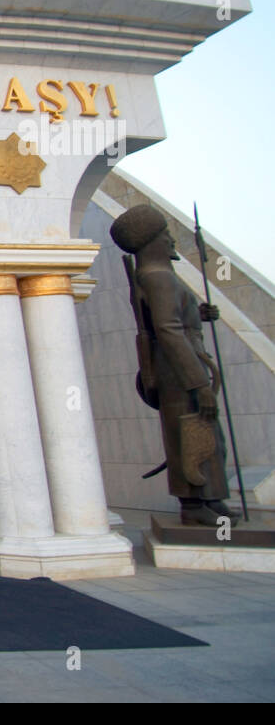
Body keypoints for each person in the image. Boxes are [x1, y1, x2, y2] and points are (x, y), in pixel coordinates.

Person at [111, 204, 231, 526]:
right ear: (151, 241)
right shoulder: (157, 277)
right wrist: (198, 383)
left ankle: (212, 498)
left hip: (185, 363)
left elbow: (174, 320)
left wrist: (199, 314)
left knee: (206, 433)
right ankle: (194, 504)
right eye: (165, 235)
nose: (170, 241)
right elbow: (167, 329)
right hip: (178, 370)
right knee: (189, 432)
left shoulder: (161, 278)